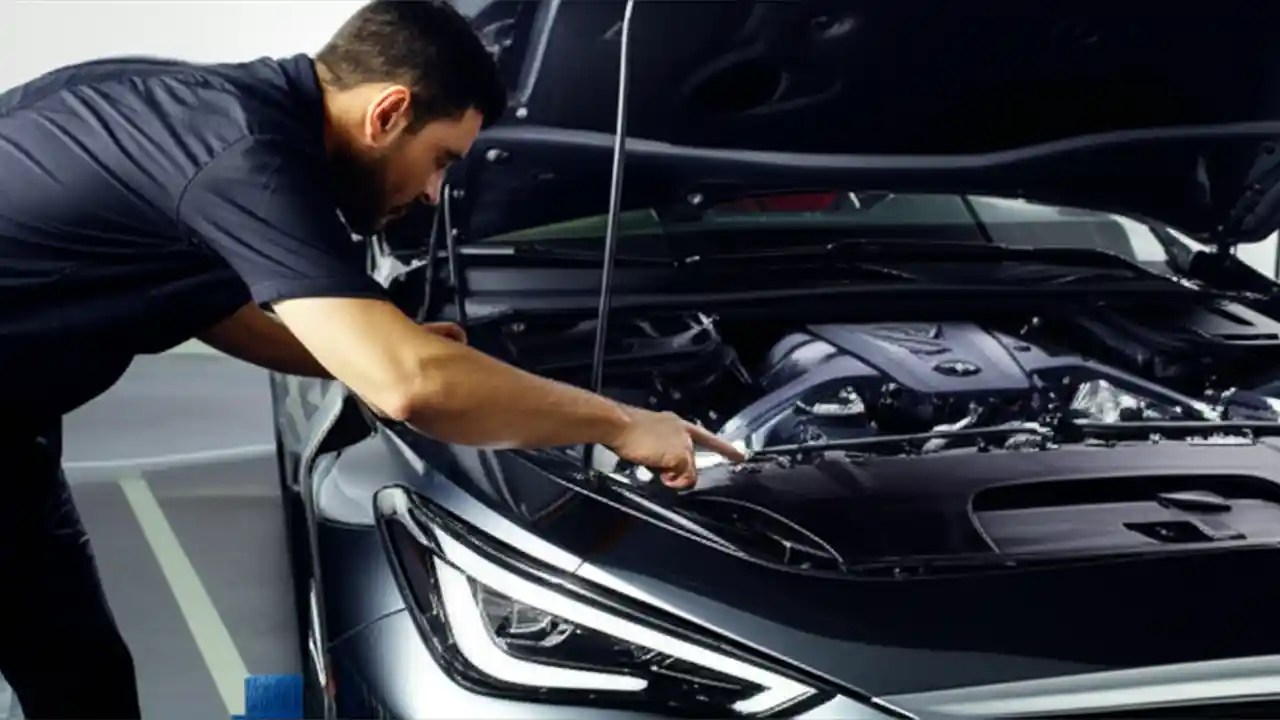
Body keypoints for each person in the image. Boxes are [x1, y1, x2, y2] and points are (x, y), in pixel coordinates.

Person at [0, 1, 745, 717]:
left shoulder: (208, 114)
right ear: (388, 112)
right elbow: (410, 387)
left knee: (79, 673)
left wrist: (358, 352)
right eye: (440, 160)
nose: (432, 192)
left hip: (18, 435)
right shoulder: (243, 155)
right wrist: (619, 423)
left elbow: (216, 311)